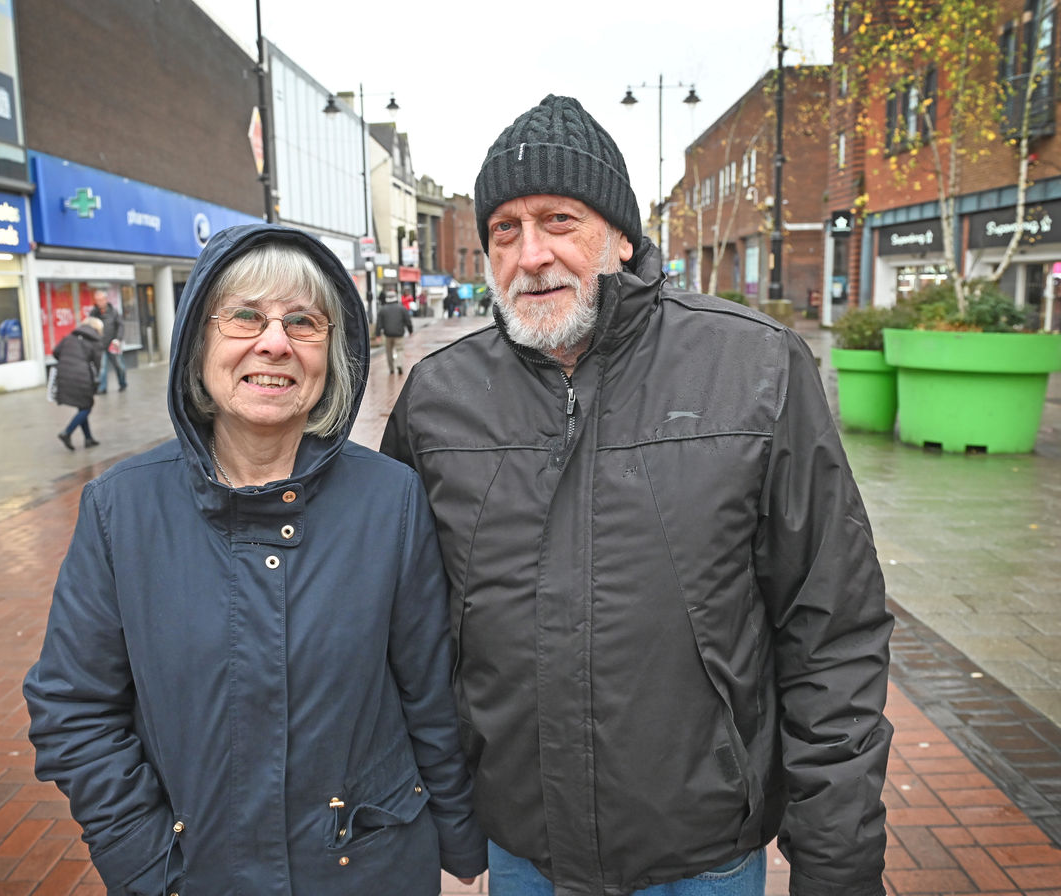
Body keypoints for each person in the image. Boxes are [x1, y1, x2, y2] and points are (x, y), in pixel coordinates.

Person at [381, 94, 893, 896]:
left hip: (704, 854)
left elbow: (831, 624)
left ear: (620, 236)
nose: (531, 254)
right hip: (525, 850)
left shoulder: (754, 369)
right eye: (504, 230)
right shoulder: (437, 399)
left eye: (559, 220)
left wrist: (836, 859)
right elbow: (409, 632)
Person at [24, 223, 486, 894]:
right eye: (245, 316)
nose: (274, 342)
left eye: (303, 322)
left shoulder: (391, 502)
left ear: (332, 354)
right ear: (197, 343)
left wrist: (461, 855)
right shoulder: (121, 509)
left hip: (374, 872)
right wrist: (151, 870)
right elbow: (73, 708)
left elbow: (431, 699)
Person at [53, 315, 103, 450]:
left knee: (82, 406)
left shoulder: (70, 337)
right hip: (82, 376)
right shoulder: (96, 341)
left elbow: (55, 352)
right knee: (87, 406)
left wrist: (66, 360)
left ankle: (88, 439)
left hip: (64, 374)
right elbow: (97, 363)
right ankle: (67, 432)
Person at [91, 288, 127, 393]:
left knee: (120, 366)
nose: (99, 302)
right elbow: (90, 327)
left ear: (106, 300)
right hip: (100, 345)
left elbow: (120, 326)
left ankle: (123, 383)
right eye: (97, 300)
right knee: (102, 368)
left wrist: (118, 339)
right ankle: (102, 388)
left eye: (101, 300)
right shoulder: (94, 313)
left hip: (113, 345)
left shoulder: (113, 312)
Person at [375, 291, 414, 374]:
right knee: (399, 349)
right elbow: (408, 321)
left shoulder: (382, 309)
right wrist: (410, 330)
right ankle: (399, 364)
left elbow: (379, 323)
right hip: (399, 334)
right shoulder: (402, 308)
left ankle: (391, 368)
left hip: (387, 335)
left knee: (389, 352)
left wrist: (377, 335)